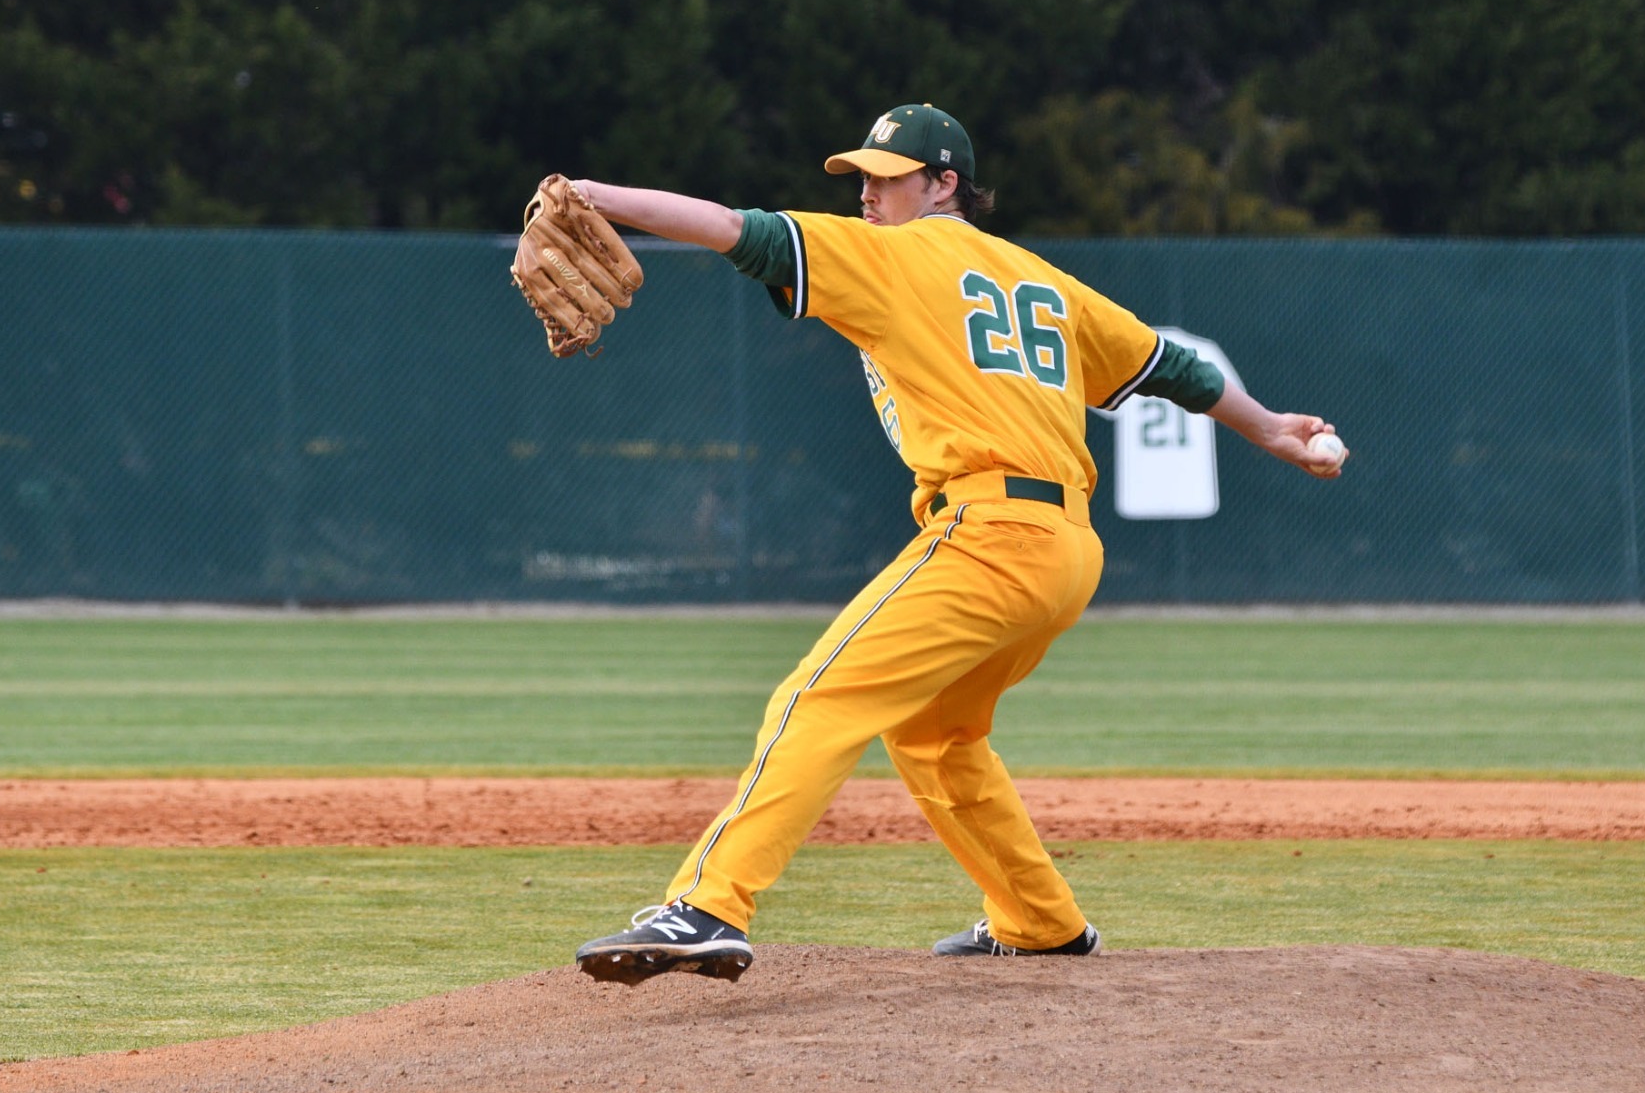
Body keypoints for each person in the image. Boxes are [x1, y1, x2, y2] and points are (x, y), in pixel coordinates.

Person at [565, 104, 1343, 985]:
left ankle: (706, 906)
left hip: (991, 532)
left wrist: (591, 193)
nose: (867, 194)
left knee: (816, 697)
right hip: (1067, 551)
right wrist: (1270, 427)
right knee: (936, 735)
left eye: (887, 177)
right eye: (861, 177)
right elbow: (1171, 366)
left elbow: (735, 230)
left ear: (944, 185)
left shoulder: (899, 254)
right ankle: (1040, 920)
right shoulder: (1038, 277)